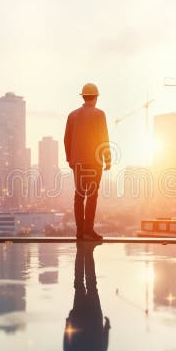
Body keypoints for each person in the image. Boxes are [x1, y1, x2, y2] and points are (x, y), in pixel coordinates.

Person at [64, 83, 112, 241]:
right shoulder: (100, 114)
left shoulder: (72, 115)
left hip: (77, 162)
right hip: (94, 162)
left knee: (79, 196)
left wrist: (69, 159)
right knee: (92, 195)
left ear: (83, 97)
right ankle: (88, 230)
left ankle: (80, 232)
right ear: (96, 97)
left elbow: (67, 139)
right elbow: (103, 138)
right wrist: (108, 159)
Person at [64, 242, 110, 351]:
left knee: (91, 285)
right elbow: (66, 344)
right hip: (78, 320)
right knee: (78, 285)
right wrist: (67, 324)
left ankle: (86, 254)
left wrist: (106, 327)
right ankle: (82, 253)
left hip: (94, 320)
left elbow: (103, 347)